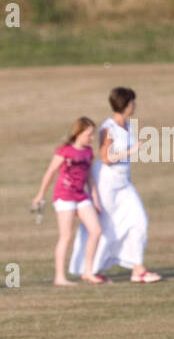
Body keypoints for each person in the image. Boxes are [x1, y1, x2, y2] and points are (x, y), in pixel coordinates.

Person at [69, 87, 161, 283]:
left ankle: (138, 269)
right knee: (105, 227)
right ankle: (90, 270)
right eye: (132, 102)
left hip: (124, 183)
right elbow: (105, 158)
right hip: (106, 183)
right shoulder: (108, 128)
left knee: (139, 221)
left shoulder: (128, 125)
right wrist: (131, 151)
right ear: (126, 105)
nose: (135, 105)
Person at [33, 117, 105, 285]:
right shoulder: (64, 151)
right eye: (89, 134)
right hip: (64, 195)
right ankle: (60, 277)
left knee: (96, 230)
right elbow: (50, 172)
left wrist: (95, 198)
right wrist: (40, 194)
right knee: (66, 236)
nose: (91, 138)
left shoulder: (88, 152)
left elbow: (90, 177)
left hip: (81, 195)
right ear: (78, 133)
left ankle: (88, 271)